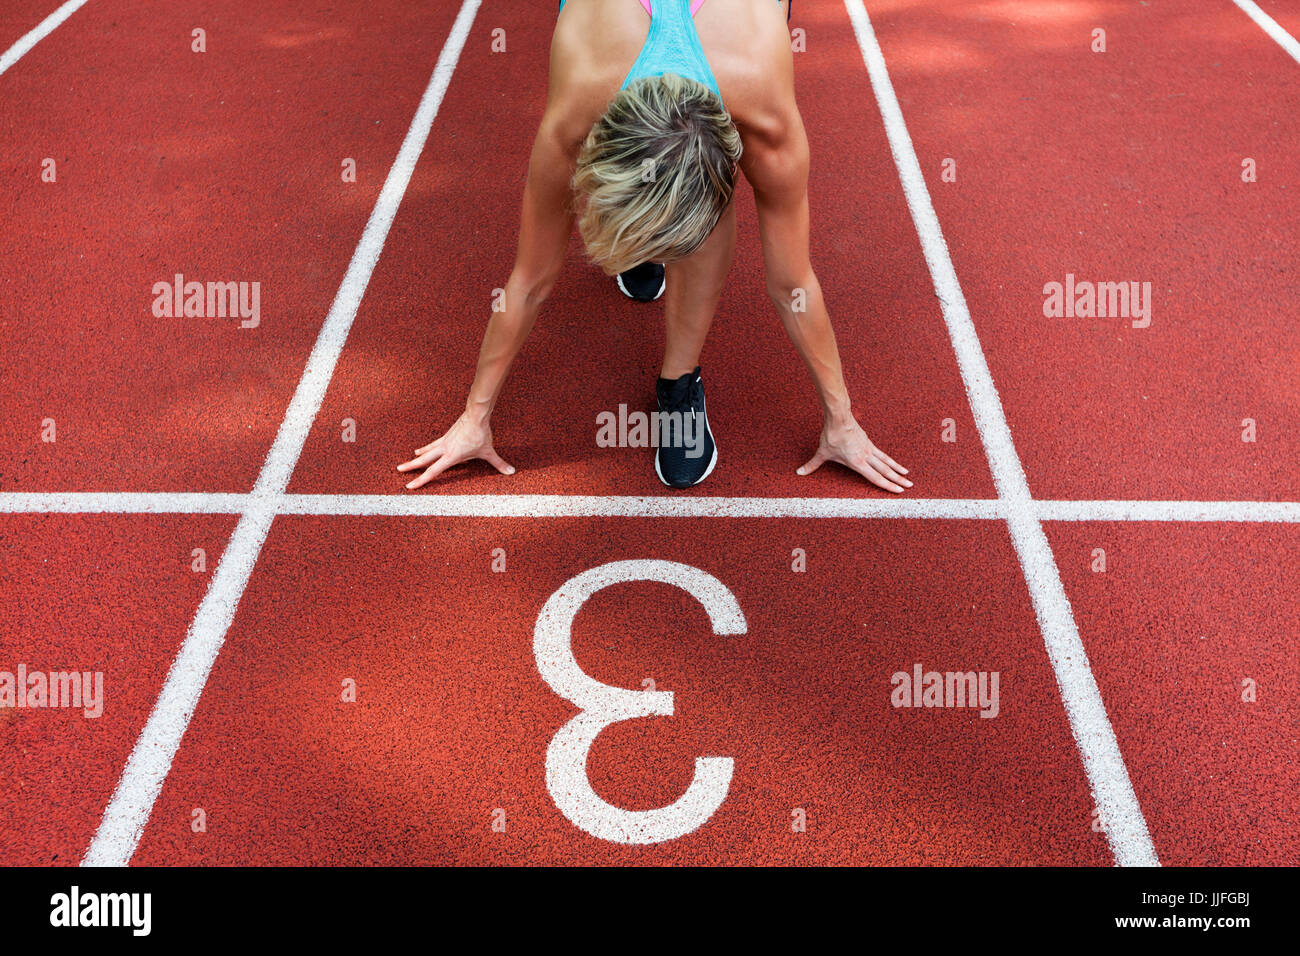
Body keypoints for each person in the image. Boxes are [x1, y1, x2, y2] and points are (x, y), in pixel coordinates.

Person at [398, 0, 911, 492]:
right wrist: (474, 417)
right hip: (614, 57)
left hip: (726, 53)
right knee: (647, 198)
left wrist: (841, 421)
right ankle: (642, 234)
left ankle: (679, 381)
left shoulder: (763, 105)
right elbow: (530, 278)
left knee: (693, 220)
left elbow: (792, 282)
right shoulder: (580, 96)